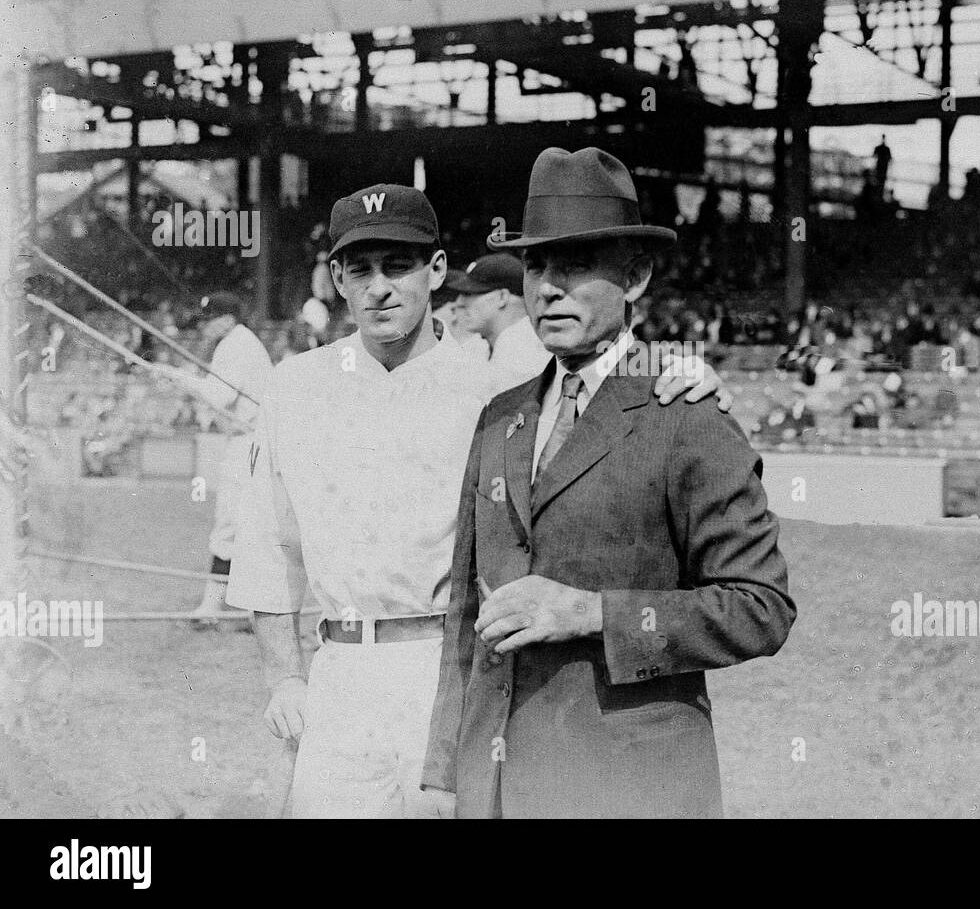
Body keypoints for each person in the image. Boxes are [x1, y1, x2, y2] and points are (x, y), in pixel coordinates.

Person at [227, 183, 729, 818]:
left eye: (399, 266)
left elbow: (600, 390)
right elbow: (271, 547)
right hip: (340, 671)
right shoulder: (294, 389)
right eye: (361, 270)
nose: (380, 288)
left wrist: (683, 374)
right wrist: (285, 678)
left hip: (453, 668)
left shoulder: (497, 392)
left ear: (437, 270)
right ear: (336, 278)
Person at [421, 148, 795, 818]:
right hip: (498, 787)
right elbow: (465, 621)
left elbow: (759, 606)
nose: (550, 286)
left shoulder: (686, 416)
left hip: (630, 785)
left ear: (636, 275)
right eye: (537, 264)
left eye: (578, 262)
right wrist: (442, 774)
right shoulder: (500, 418)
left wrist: (591, 613)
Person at [157, 291, 271, 625]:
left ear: (227, 319)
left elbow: (220, 396)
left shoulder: (235, 344)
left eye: (208, 320)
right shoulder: (241, 341)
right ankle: (251, 609)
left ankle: (214, 608)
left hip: (248, 443)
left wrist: (177, 375)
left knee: (231, 526)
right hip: (254, 443)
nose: (203, 326)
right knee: (248, 527)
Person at [444, 253, 550, 396]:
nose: (459, 302)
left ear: (502, 297)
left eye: (470, 293)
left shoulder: (524, 354)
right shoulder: (485, 345)